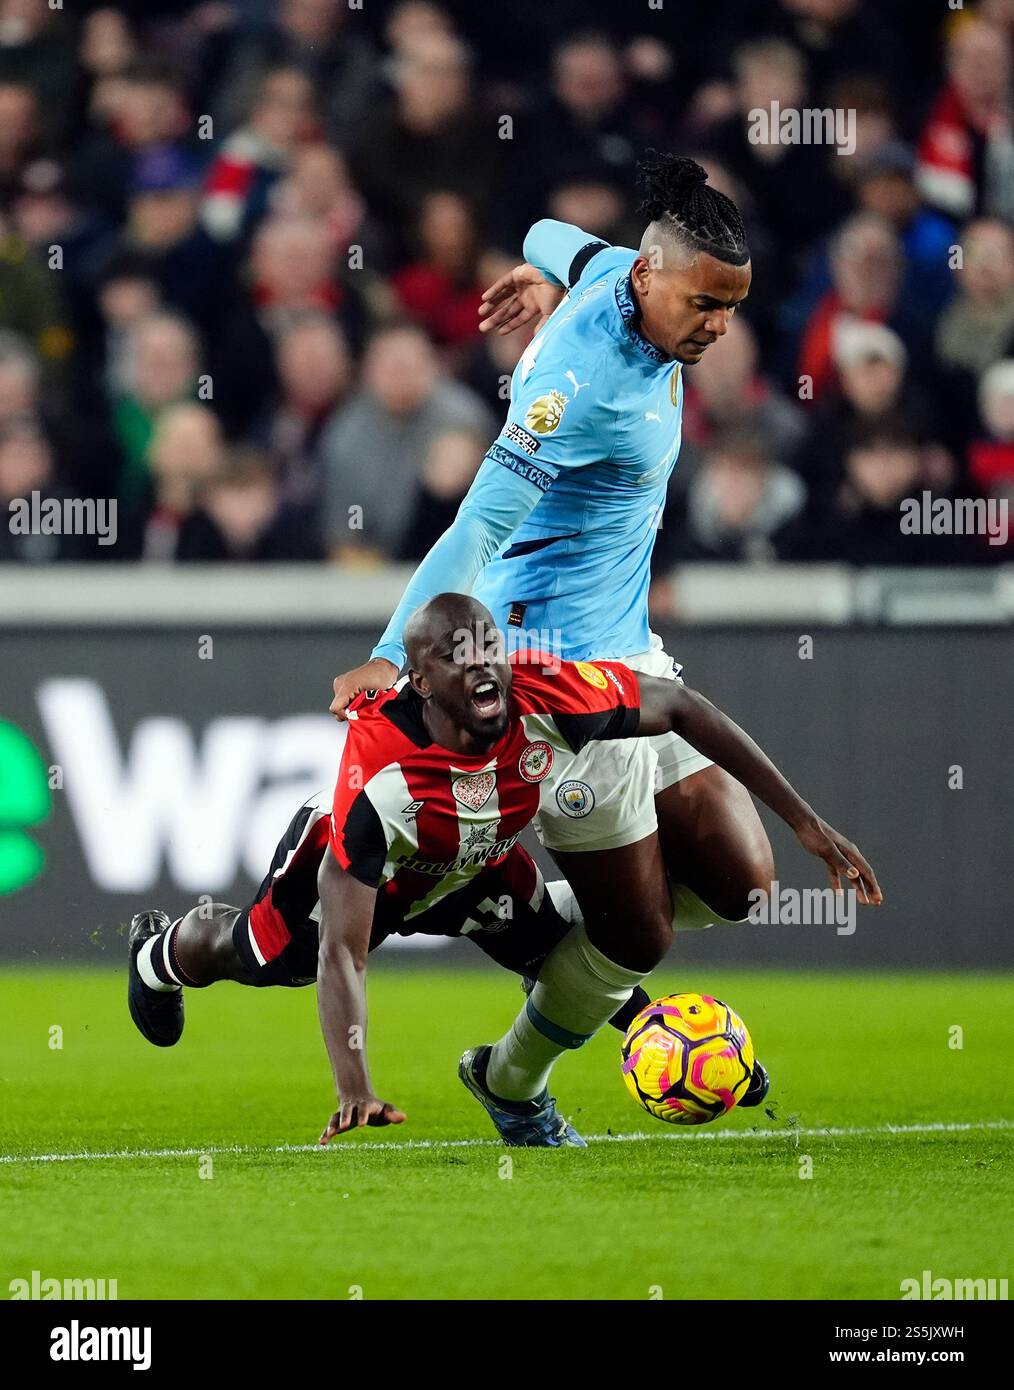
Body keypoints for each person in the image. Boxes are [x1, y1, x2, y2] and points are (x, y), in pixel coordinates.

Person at [327, 156, 883, 1115]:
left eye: (734, 308)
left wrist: (543, 272)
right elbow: (478, 528)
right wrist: (392, 647)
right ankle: (511, 1082)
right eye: (705, 303)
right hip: (553, 676)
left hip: (630, 650)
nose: (717, 325)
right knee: (638, 942)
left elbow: (548, 229)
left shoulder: (608, 269)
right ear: (650, 276)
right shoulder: (579, 388)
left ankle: (511, 913)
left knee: (743, 885)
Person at [128, 595, 879, 1148]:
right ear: (418, 683)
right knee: (267, 960)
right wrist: (353, 1085)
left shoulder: (543, 690)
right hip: (383, 878)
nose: (483, 662)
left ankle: (671, 1062)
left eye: (489, 645)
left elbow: (681, 707)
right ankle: (162, 954)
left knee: (571, 950)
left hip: (477, 866)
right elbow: (342, 952)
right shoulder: (382, 779)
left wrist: (804, 821)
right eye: (458, 655)